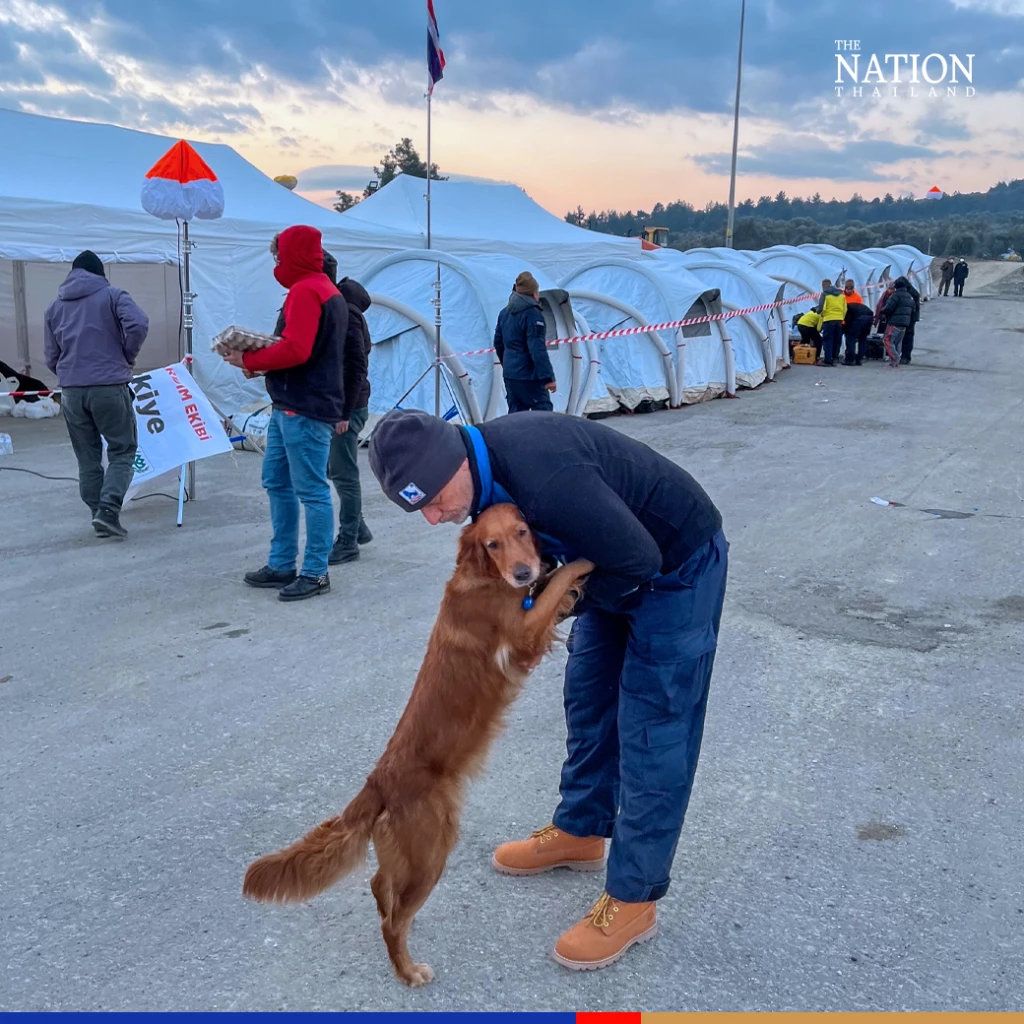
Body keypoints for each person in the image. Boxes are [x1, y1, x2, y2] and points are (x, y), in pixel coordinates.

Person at [367, 408, 728, 972]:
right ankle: (581, 830)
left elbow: (638, 559)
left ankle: (634, 898)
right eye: (421, 509)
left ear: (455, 461)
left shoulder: (544, 473)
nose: (435, 518)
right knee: (588, 696)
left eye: (434, 499)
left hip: (672, 568)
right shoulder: (484, 484)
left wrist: (547, 612)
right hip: (613, 564)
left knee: (654, 727)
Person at [224, 225, 347, 601]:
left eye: (278, 256)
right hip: (294, 404)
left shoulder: (306, 290)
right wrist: (260, 362)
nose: (276, 263)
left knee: (309, 490)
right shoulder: (324, 289)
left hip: (303, 407)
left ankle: (314, 572)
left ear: (291, 255)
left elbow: (297, 350)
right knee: (279, 482)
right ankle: (283, 564)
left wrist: (249, 358)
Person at [43, 250, 149, 539]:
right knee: (122, 450)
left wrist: (68, 372)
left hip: (72, 392)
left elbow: (50, 355)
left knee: (87, 457)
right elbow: (138, 323)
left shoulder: (54, 308)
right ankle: (108, 511)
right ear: (101, 274)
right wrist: (126, 355)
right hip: (109, 386)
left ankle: (97, 515)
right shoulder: (113, 295)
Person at [328, 274, 375, 565]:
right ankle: (357, 527)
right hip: (345, 406)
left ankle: (348, 539)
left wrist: (343, 413)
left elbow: (356, 369)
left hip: (347, 408)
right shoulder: (351, 316)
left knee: (344, 474)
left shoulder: (349, 319)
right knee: (335, 470)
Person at [493, 271, 556, 413]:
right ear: (534, 293)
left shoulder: (505, 313)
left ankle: (512, 436)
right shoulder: (533, 314)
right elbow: (537, 349)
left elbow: (498, 343)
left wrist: (508, 364)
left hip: (510, 374)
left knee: (516, 417)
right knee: (544, 415)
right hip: (529, 377)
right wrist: (548, 377)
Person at [878, 276, 916, 368]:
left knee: (887, 339)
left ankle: (895, 357)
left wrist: (882, 311)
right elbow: (914, 309)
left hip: (894, 322)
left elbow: (889, 307)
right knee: (897, 342)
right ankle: (894, 360)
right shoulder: (910, 296)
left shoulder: (895, 295)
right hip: (905, 323)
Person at [814, 279, 847, 366]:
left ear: (823, 285)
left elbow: (821, 307)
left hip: (829, 319)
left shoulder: (825, 294)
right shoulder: (841, 295)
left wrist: (818, 311)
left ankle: (828, 360)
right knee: (837, 339)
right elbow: (845, 308)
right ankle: (835, 358)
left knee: (828, 339)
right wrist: (841, 317)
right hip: (839, 320)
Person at [842, 299, 874, 365]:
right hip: (870, 317)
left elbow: (848, 321)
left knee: (851, 338)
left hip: (860, 318)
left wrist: (845, 330)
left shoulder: (846, 309)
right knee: (863, 339)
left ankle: (850, 360)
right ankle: (859, 359)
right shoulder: (853, 305)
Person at [901, 275, 922, 365]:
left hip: (909, 318)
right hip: (911, 318)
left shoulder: (910, 294)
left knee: (906, 337)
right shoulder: (913, 292)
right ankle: (905, 356)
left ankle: (905, 356)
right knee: (908, 337)